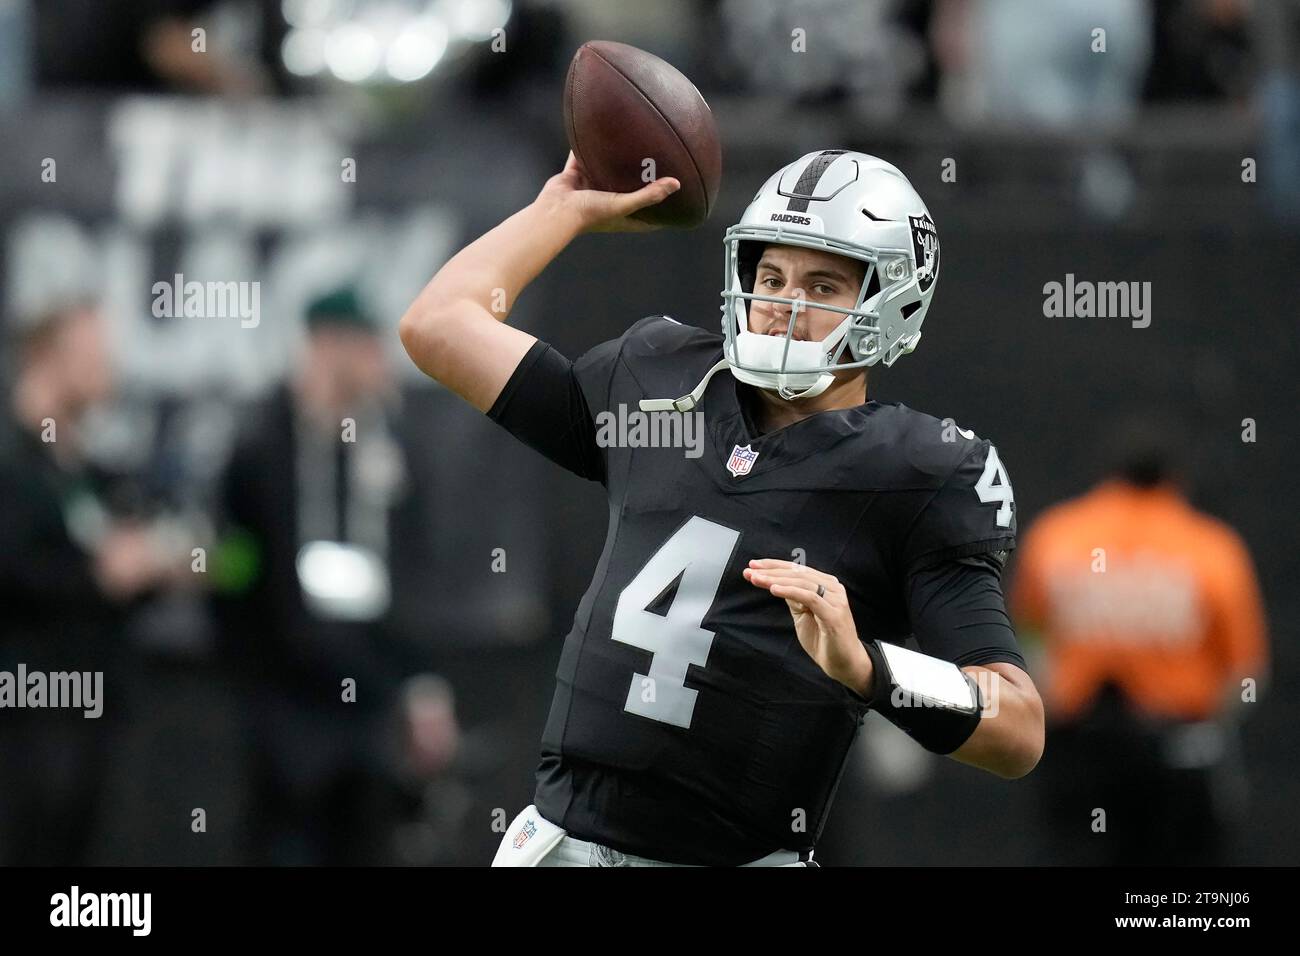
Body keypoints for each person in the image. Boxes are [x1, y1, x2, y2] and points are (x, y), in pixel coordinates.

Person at [399, 148, 1045, 867]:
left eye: (822, 282)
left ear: (892, 301)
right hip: (557, 843)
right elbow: (437, 325)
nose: (782, 302)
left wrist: (868, 668)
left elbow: (1016, 725)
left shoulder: (920, 469)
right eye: (770, 275)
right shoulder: (660, 378)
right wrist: (559, 212)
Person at [1010, 418, 1269, 865]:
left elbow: (1027, 631)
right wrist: (1207, 730)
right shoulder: (1211, 548)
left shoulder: (1058, 535)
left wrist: (1049, 697)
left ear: (1109, 474)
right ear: (1175, 478)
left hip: (1079, 753)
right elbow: (1246, 670)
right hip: (1175, 758)